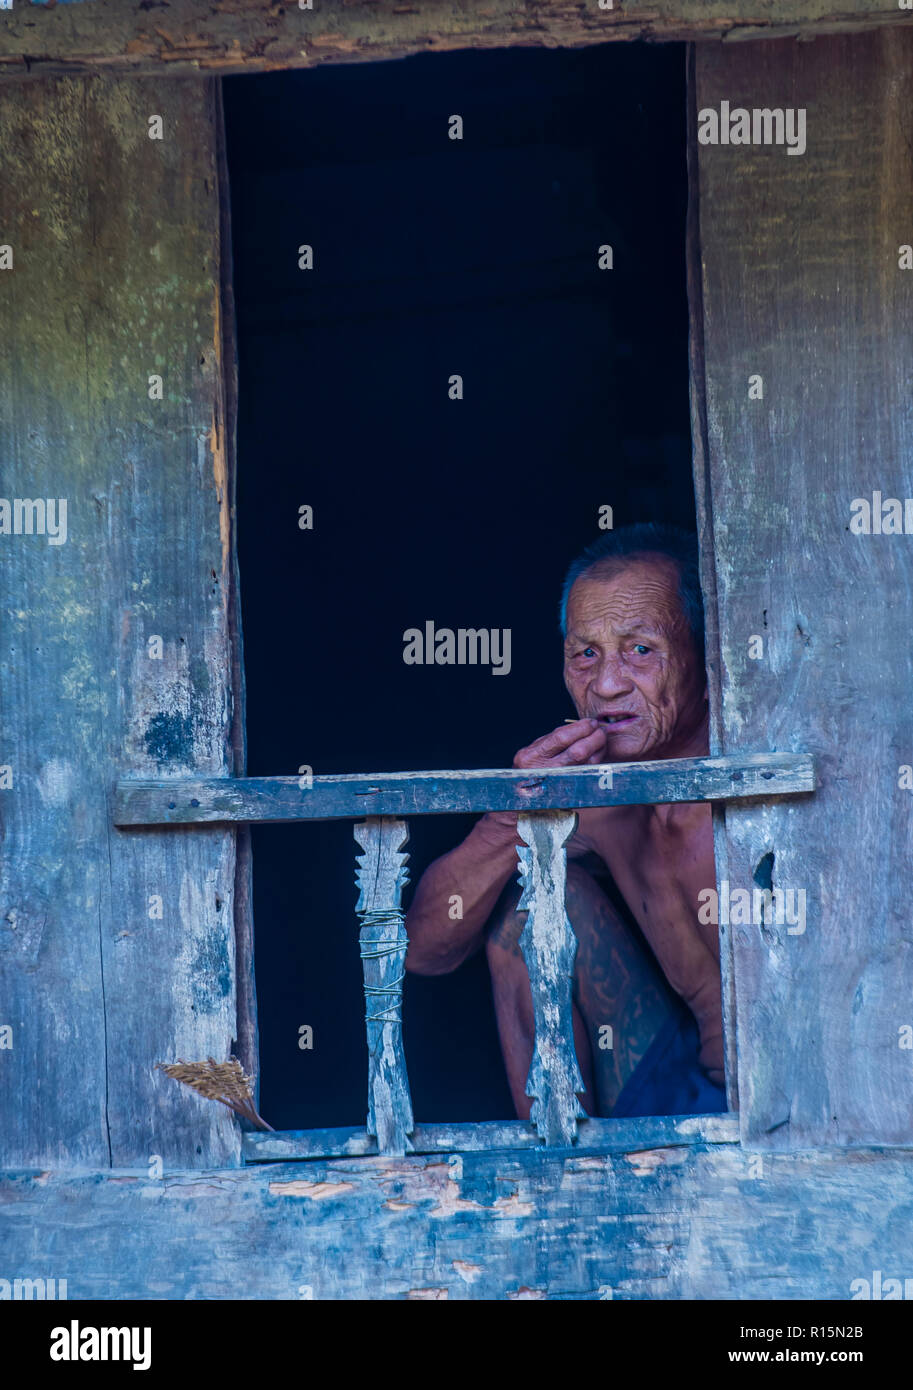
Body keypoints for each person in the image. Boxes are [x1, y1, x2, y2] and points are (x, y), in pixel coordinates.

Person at [404, 523, 727, 1119]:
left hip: (797, 1099)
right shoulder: (596, 802)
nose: (605, 685)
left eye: (640, 650)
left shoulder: (759, 788)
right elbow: (423, 950)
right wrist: (513, 818)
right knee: (529, 906)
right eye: (585, 654)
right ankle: (564, 1176)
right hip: (670, 1081)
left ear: (707, 654)